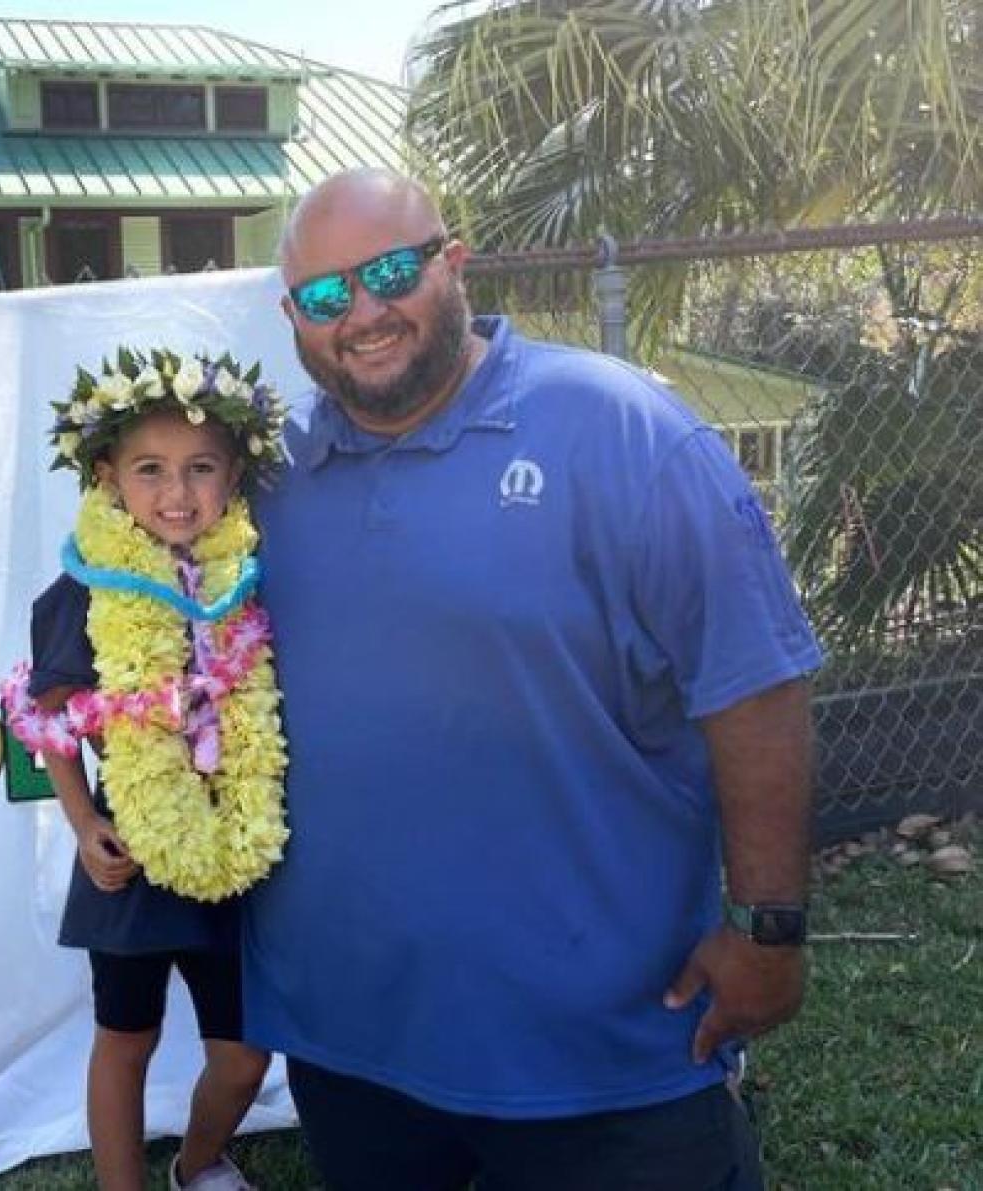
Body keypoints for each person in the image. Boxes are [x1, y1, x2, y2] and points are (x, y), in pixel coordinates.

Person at [243, 168, 822, 1190]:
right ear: (294, 316)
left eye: (389, 273)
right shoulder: (264, 476)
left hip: (607, 1055)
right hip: (353, 1043)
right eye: (327, 296)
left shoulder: (623, 433)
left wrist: (769, 929)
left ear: (452, 262)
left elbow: (756, 689)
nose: (364, 314)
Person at [1, 348, 292, 1191]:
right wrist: (81, 823)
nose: (177, 492)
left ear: (234, 474)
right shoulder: (84, 592)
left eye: (201, 468)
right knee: (124, 1036)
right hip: (128, 847)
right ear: (107, 477)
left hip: (242, 844)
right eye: (150, 469)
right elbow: (50, 719)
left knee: (242, 1054)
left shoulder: (253, 580)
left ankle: (199, 1163)